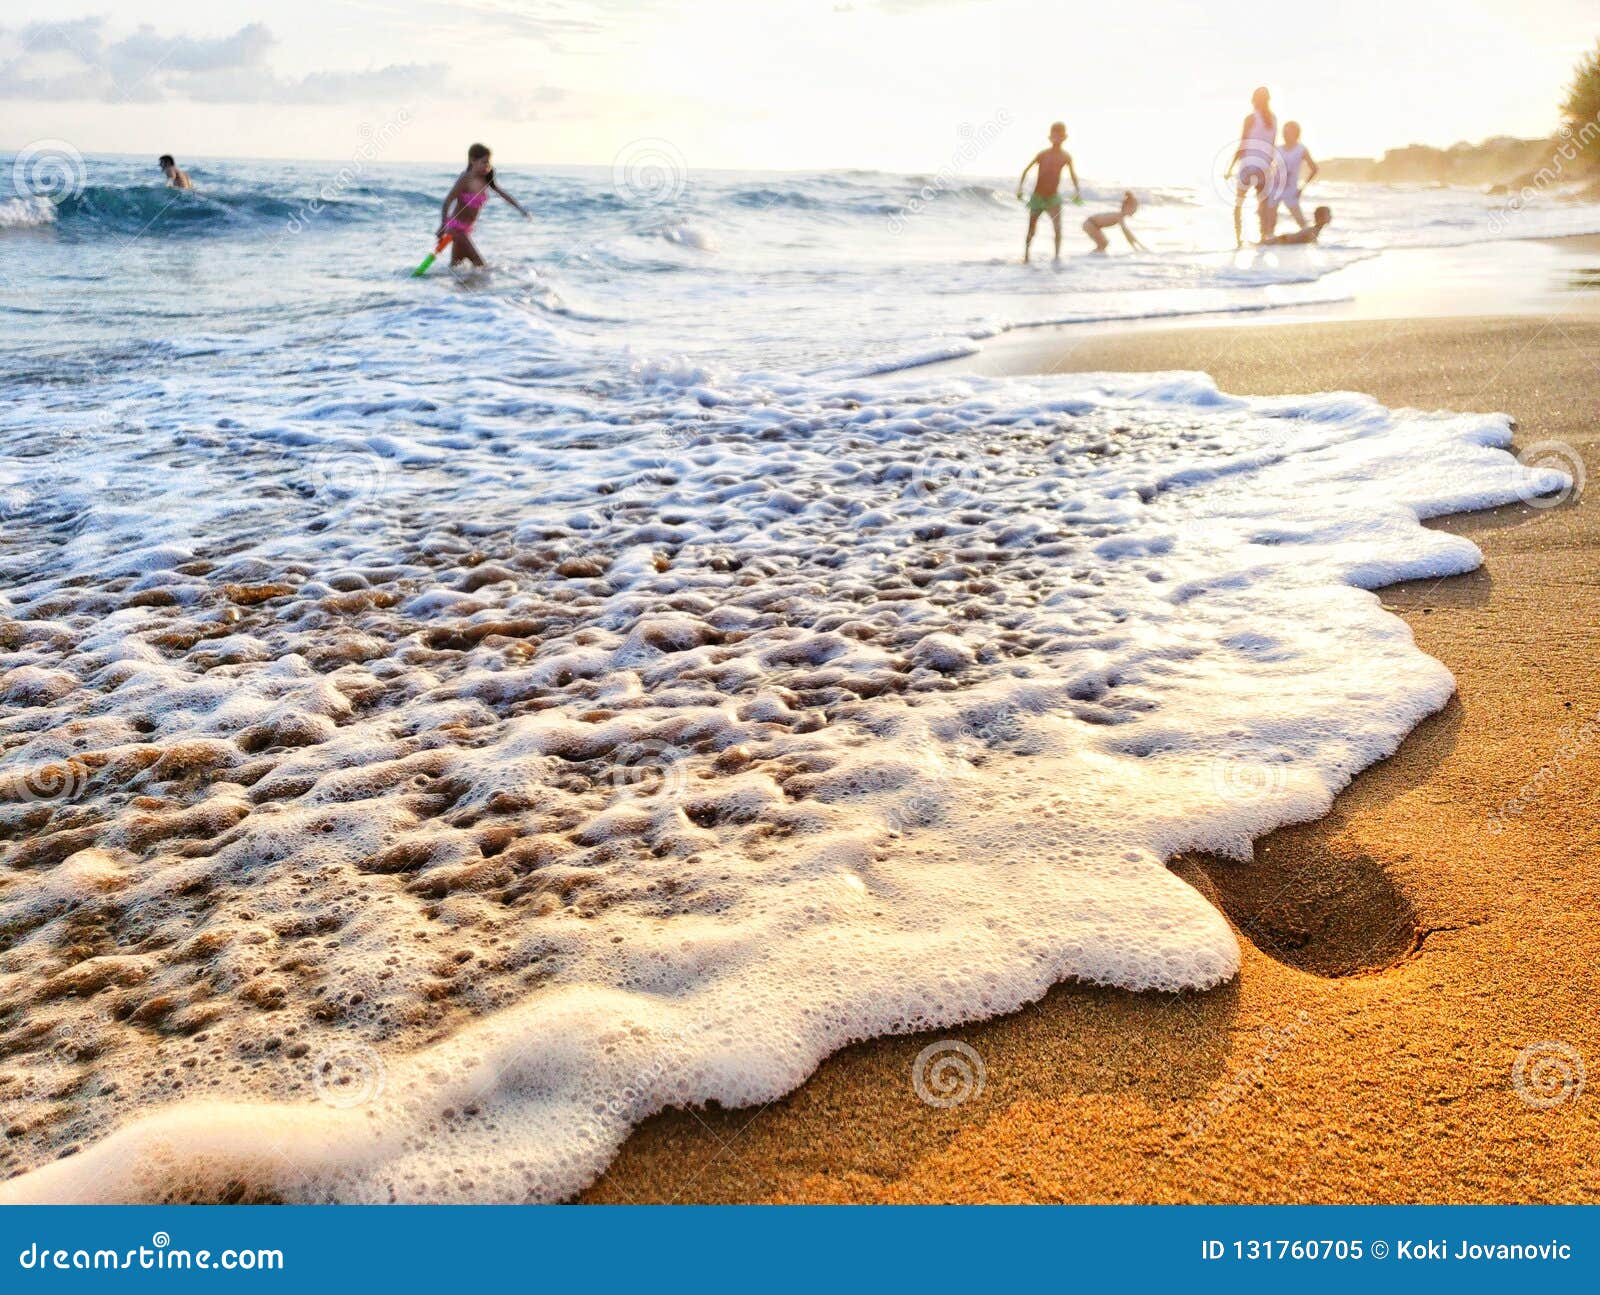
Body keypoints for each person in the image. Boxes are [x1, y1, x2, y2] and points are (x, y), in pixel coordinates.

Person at [436, 143, 529, 269]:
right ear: (472, 160)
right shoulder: (465, 179)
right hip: (456, 229)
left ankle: (434, 279)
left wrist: (520, 209)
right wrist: (442, 226)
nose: (487, 165)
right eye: (484, 162)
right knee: (481, 266)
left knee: (456, 266)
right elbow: (447, 201)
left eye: (488, 162)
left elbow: (502, 194)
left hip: (466, 229)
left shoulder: (485, 179)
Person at [1016, 122, 1082, 263]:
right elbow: (1026, 171)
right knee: (1031, 228)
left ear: (1065, 137)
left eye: (1060, 136)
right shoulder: (1043, 154)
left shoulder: (1066, 157)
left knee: (1057, 229)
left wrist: (1077, 191)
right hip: (1037, 197)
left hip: (1053, 198)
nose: (1057, 138)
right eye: (1054, 135)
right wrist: (1020, 188)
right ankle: (1026, 257)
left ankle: (1056, 258)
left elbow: (1073, 175)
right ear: (1050, 137)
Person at [1223, 87, 1277, 248]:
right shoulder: (1273, 119)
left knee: (1239, 203)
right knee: (1263, 205)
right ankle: (1263, 237)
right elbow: (1272, 146)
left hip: (1248, 165)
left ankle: (1239, 240)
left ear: (1254, 100)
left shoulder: (1251, 119)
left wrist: (1230, 168)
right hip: (1264, 166)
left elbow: (1243, 143)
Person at [1275, 121, 1319, 228]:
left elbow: (1314, 169)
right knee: (1269, 221)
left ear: (1296, 133)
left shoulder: (1301, 149)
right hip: (1274, 188)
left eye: (1288, 132)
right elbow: (1269, 167)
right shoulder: (1277, 149)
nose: (1285, 134)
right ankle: (1268, 237)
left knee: (1301, 222)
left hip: (1291, 190)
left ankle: (1310, 236)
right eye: (1284, 132)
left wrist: (1302, 188)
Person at [1082, 191, 1147, 253]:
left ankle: (1093, 256)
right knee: (1103, 244)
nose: (1135, 211)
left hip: (1092, 224)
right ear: (1127, 207)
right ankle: (1092, 257)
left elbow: (1128, 234)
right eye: (1134, 208)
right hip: (1090, 223)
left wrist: (1138, 245)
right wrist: (1137, 247)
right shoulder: (1119, 216)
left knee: (1104, 244)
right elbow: (1126, 233)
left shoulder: (1119, 216)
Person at [1261, 205, 1331, 245]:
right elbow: (1312, 245)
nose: (1331, 216)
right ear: (1321, 217)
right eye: (1328, 214)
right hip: (1280, 241)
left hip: (1281, 240)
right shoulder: (1313, 231)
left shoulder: (1313, 230)